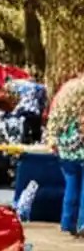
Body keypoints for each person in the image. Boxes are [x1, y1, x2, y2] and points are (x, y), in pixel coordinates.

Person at [46, 75, 84, 236]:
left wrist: (53, 141)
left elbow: (53, 120)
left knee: (71, 186)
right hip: (81, 146)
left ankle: (67, 223)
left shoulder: (65, 91)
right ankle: (82, 223)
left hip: (65, 148)